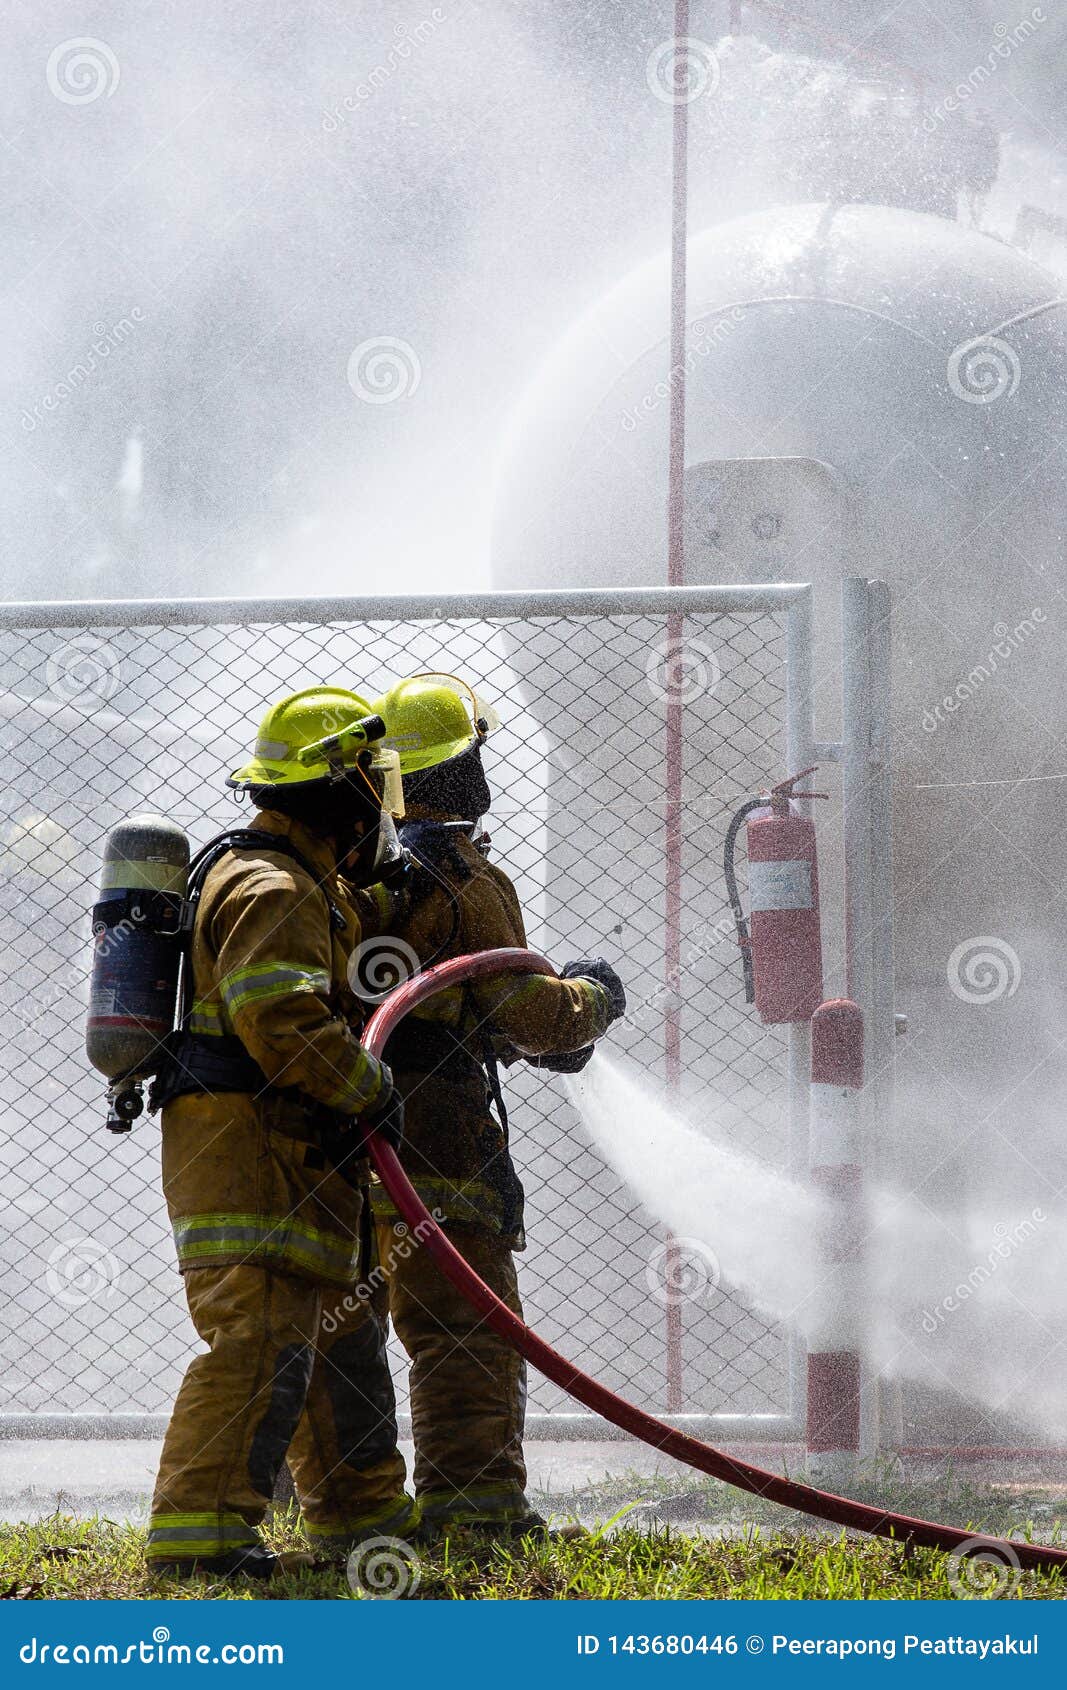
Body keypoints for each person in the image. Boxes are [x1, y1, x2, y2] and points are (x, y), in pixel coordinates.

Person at [146, 686, 417, 1579]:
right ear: (335, 786)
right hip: (250, 1162)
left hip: (285, 1161)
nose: (384, 804)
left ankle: (357, 1515)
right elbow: (285, 1020)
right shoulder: (271, 887)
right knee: (255, 1342)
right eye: (373, 784)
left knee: (332, 1341)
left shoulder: (298, 881)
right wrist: (369, 1082)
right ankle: (199, 1543)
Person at [361, 672, 626, 1537]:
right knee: (461, 1332)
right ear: (463, 766)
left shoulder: (347, 874)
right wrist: (590, 998)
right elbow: (527, 1013)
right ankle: (474, 1516)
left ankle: (347, 1515)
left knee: (338, 1338)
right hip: (436, 1144)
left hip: (337, 1147)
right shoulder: (462, 879)